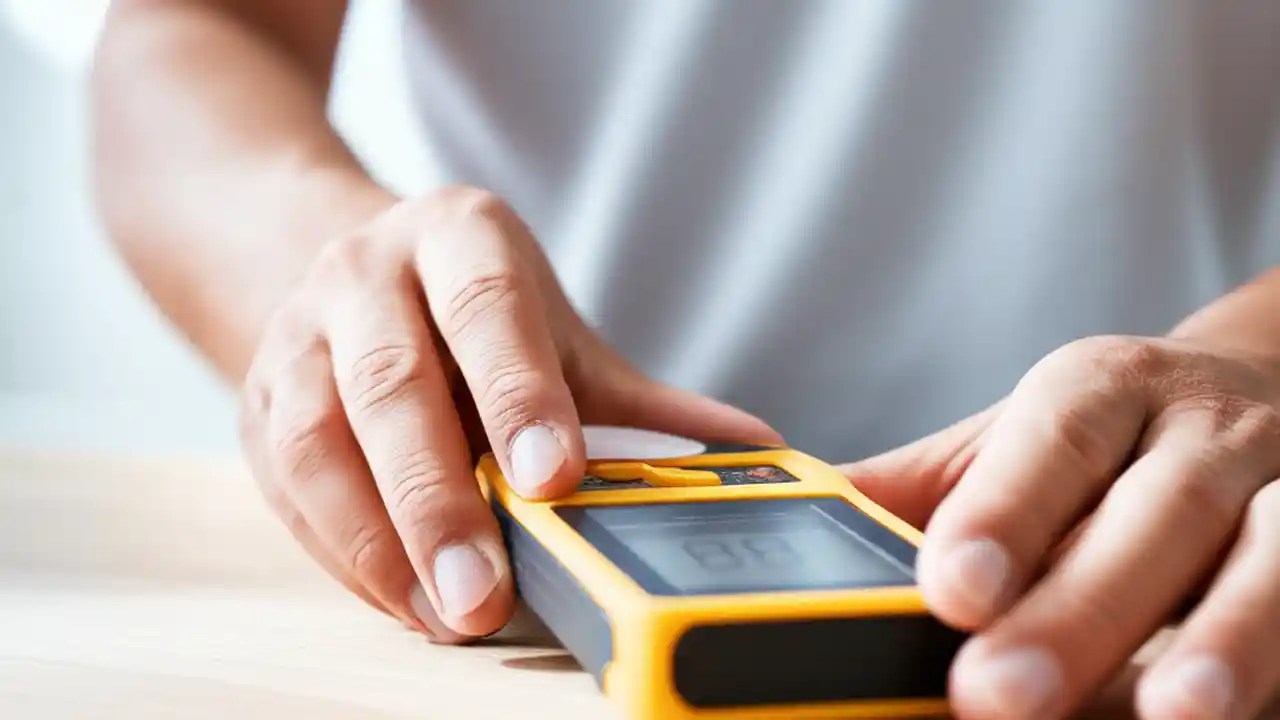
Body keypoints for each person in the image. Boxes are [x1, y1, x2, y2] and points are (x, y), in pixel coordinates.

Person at [91, 2, 1280, 718]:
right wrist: (331, 275)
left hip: (1186, 569)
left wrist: (1254, 360)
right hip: (547, 532)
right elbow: (193, 24)